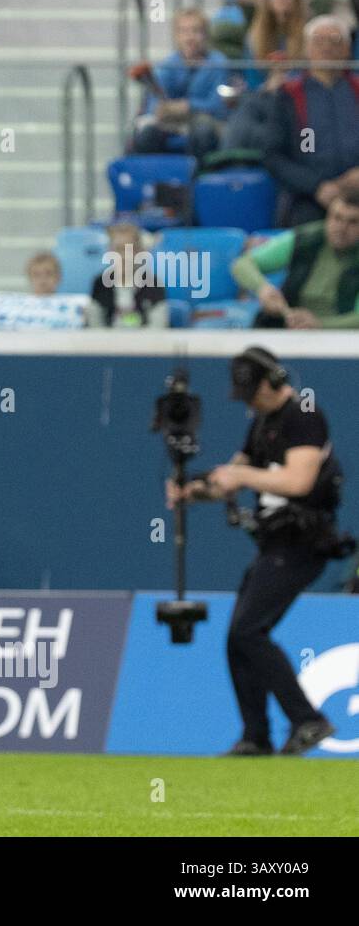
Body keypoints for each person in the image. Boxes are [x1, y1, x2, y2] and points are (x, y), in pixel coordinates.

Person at [166, 348, 340, 756]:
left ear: (273, 381)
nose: (247, 400)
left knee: (249, 630)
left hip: (303, 543)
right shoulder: (262, 424)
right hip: (274, 543)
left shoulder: (304, 417)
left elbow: (299, 481)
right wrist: (191, 489)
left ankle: (308, 719)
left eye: (252, 390)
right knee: (237, 637)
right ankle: (255, 735)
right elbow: (230, 477)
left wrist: (240, 475)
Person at [264, 14, 359, 225]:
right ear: (307, 49)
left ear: (347, 50)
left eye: (335, 41)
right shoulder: (288, 95)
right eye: (318, 40)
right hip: (309, 197)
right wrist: (316, 186)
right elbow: (274, 156)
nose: (326, 47)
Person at [237, 182, 359, 326]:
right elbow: (242, 264)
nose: (341, 228)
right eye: (336, 218)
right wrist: (263, 288)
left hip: (343, 340)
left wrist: (321, 325)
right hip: (289, 327)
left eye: (353, 222)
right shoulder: (305, 239)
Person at [132, 8, 230, 161]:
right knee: (146, 136)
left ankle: (199, 181)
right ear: (176, 36)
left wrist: (187, 106)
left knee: (202, 132)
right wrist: (162, 109)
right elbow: (154, 104)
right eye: (184, 31)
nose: (190, 37)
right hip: (172, 123)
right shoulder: (168, 65)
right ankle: (155, 182)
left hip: (207, 122)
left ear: (206, 35)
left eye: (196, 31)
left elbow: (220, 107)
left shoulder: (219, 62)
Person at [87, 222, 169, 327]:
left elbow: (158, 328)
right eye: (118, 249)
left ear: (140, 252)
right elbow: (94, 327)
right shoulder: (100, 284)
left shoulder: (154, 284)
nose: (124, 256)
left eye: (130, 250)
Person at [242, 0, 305, 91]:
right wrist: (268, 85)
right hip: (265, 95)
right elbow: (251, 80)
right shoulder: (253, 36)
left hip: (299, 95)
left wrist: (287, 82)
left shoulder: (307, 32)